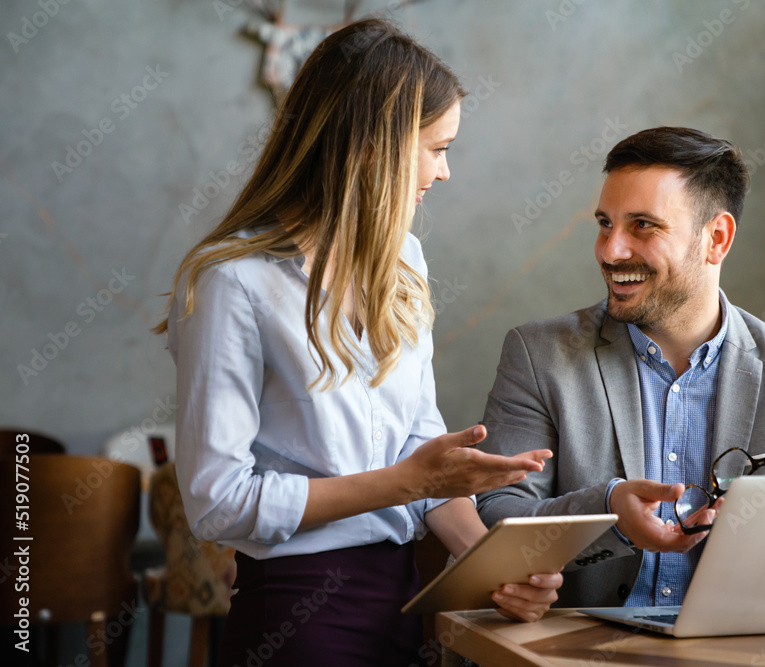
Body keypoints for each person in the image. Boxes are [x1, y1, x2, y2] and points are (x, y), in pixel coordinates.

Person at [155, 19, 562, 666]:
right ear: (373, 147)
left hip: (401, 601)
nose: (446, 171)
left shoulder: (405, 260)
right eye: (436, 147)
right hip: (293, 616)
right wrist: (405, 481)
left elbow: (415, 447)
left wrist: (490, 562)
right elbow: (219, 501)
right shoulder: (232, 281)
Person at [476, 126, 765, 609]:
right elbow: (495, 517)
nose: (610, 250)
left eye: (642, 225)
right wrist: (609, 509)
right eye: (604, 223)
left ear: (715, 239)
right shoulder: (539, 354)